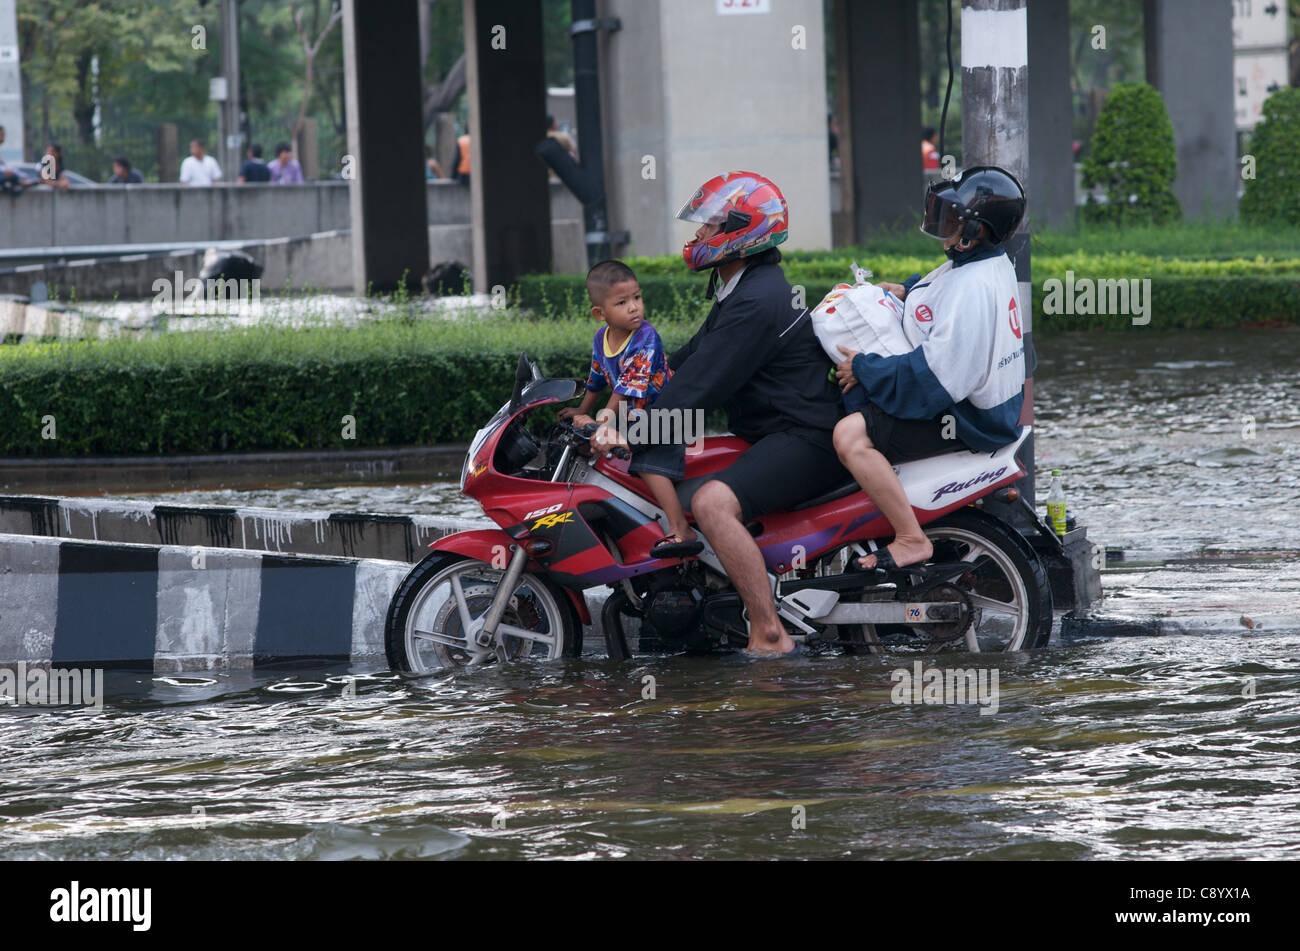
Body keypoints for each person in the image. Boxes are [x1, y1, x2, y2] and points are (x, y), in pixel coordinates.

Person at [625, 171, 848, 657]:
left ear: (743, 231)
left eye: (708, 225)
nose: (699, 234)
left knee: (711, 504)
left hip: (806, 436)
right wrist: (619, 396)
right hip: (774, 432)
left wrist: (629, 431)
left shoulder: (755, 301)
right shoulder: (742, 289)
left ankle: (769, 632)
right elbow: (685, 364)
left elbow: (699, 390)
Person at [832, 165, 1028, 572]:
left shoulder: (973, 286)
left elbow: (936, 377)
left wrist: (865, 369)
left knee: (848, 436)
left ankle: (909, 538)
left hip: (972, 418)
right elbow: (941, 289)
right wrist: (906, 290)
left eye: (955, 221)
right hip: (987, 402)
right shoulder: (986, 262)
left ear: (977, 230)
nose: (946, 227)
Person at [557, 260, 699, 558]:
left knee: (647, 463)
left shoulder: (646, 338)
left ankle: (679, 528)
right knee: (589, 450)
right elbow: (597, 381)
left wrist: (601, 423)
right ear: (600, 313)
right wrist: (579, 411)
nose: (634, 307)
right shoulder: (601, 339)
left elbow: (624, 390)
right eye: (622, 302)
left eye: (637, 297)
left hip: (667, 415)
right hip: (639, 417)